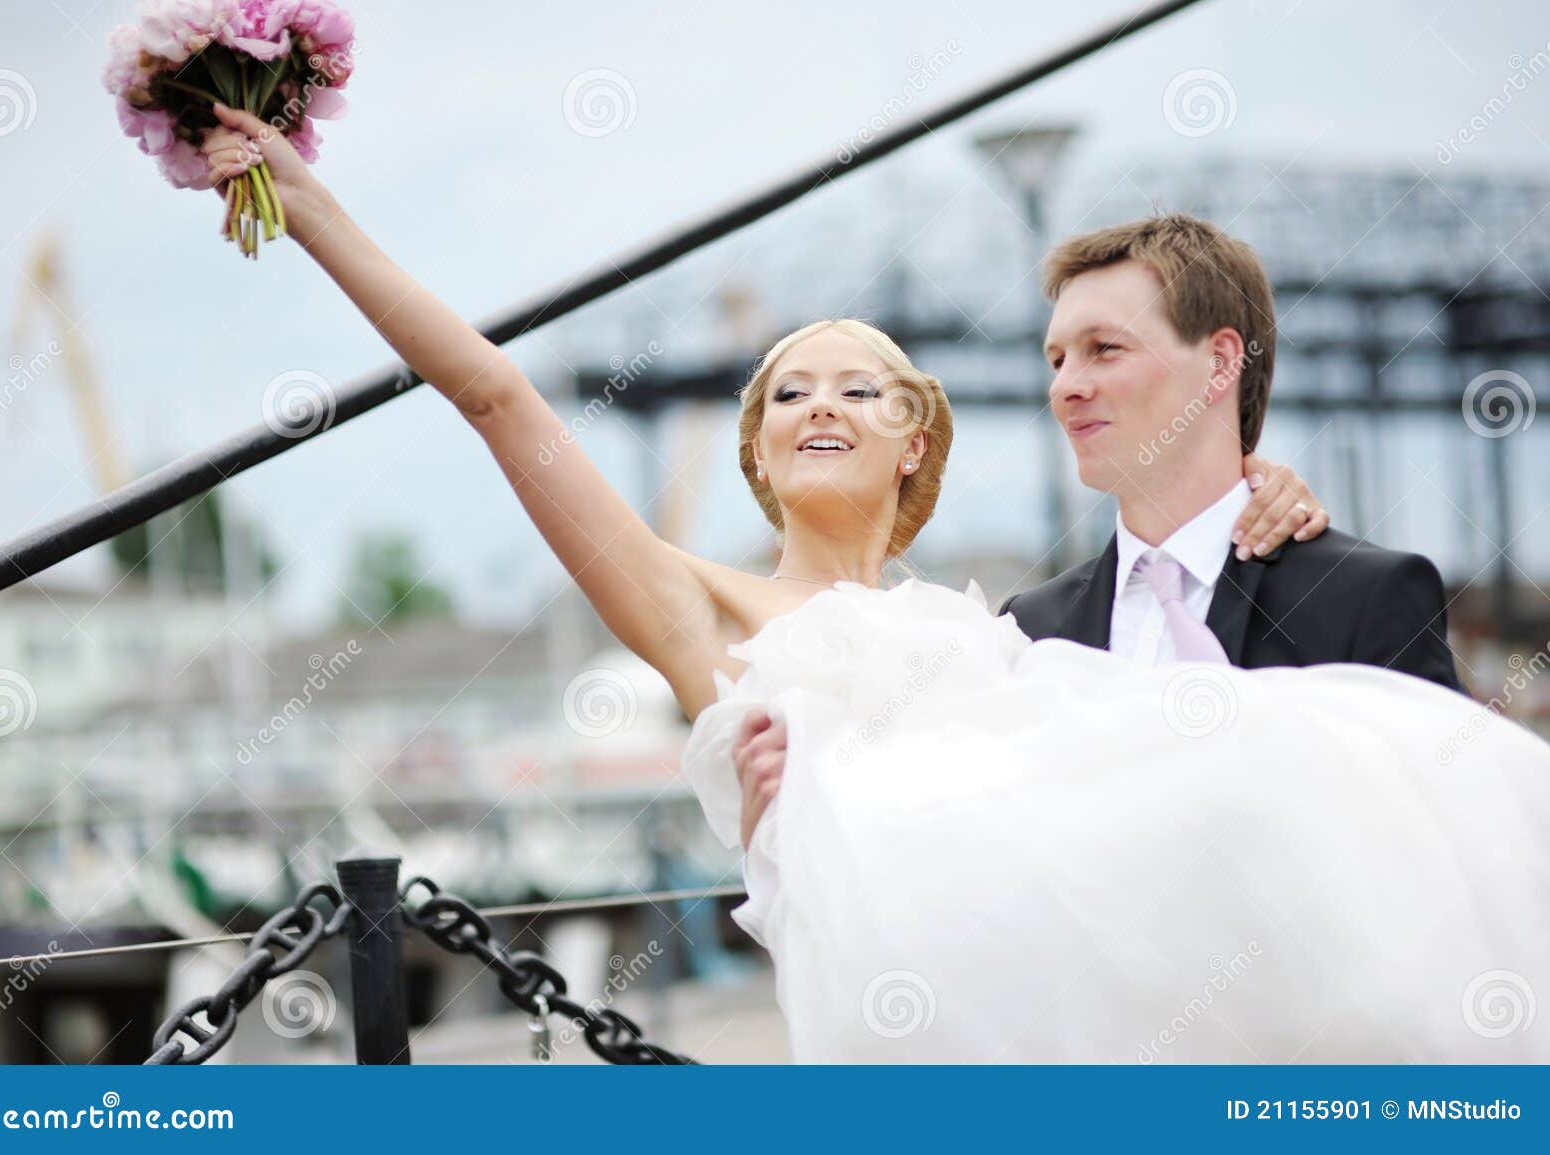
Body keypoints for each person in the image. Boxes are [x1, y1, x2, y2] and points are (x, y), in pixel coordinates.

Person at [201, 111, 1550, 1063]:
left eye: (861, 384)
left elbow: (1153, 753)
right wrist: (311, 207)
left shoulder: (1001, 631)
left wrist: (1260, 477)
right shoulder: (707, 615)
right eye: (789, 390)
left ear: (921, 440)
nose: (820, 403)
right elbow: (497, 395)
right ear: (759, 447)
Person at [734, 214, 1465, 849]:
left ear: (1219, 363)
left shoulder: (1367, 597)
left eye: (1103, 349)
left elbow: (1450, 846)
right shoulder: (1028, 632)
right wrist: (827, 768)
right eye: (1056, 358)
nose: (1065, 386)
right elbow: (974, 828)